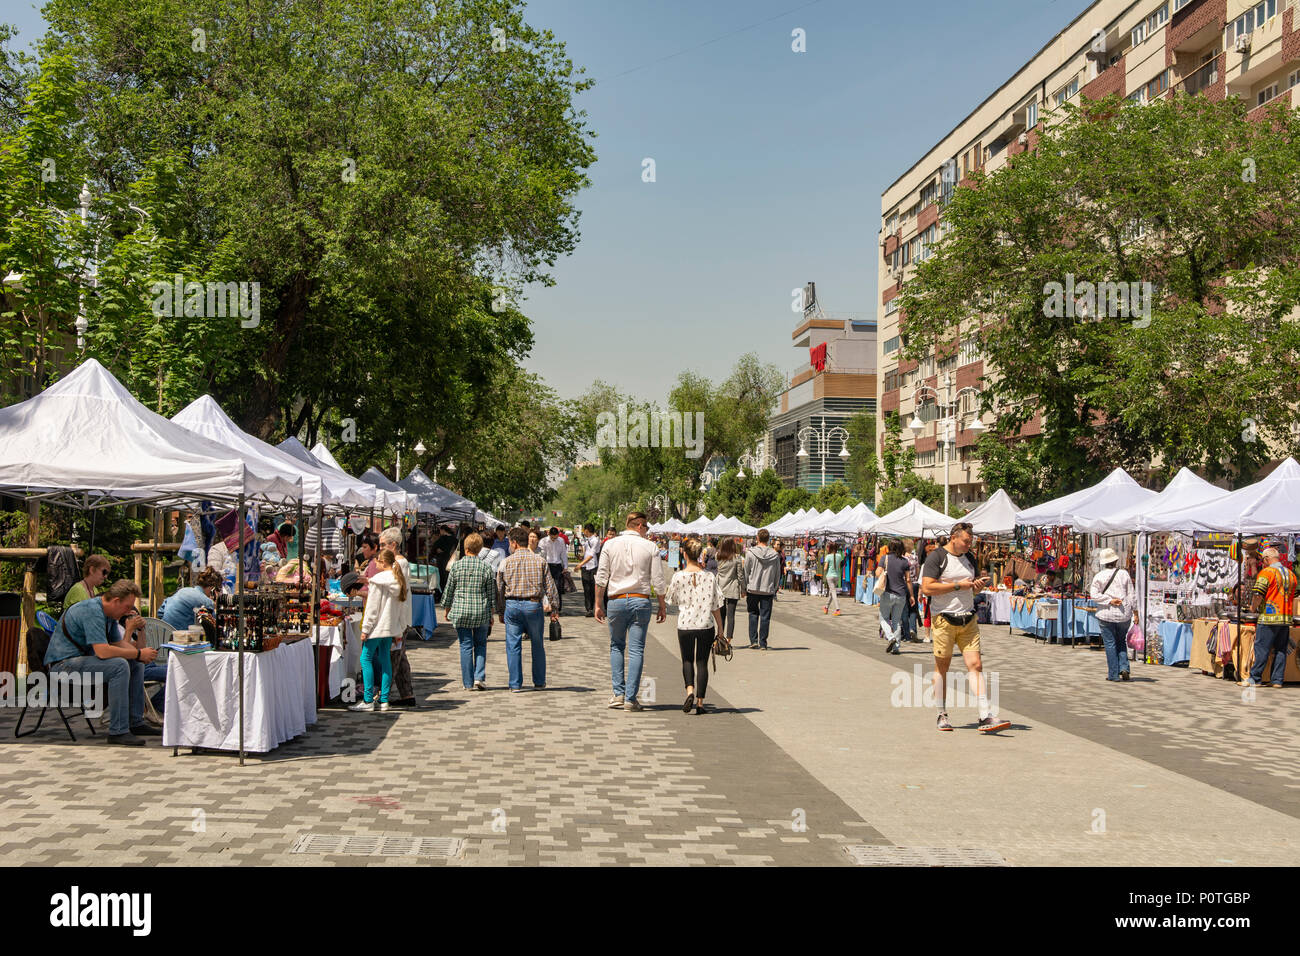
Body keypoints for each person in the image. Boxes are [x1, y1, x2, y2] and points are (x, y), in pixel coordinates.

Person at [45, 579, 159, 746]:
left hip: (79, 662)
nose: (129, 612)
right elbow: (102, 651)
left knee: (135, 663)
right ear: (116, 601)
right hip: (62, 666)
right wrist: (138, 653)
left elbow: (118, 644)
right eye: (127, 607)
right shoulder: (92, 611)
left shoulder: (108, 615)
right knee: (119, 666)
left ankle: (135, 722)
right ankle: (118, 731)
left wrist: (140, 651)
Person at [921, 521, 1008, 733]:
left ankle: (985, 714)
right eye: (966, 541)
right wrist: (958, 585)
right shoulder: (937, 557)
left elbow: (972, 589)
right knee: (942, 668)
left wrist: (976, 586)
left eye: (971, 542)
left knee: (976, 665)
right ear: (954, 538)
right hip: (944, 619)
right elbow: (927, 588)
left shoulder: (969, 558)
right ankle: (941, 713)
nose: (969, 545)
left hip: (968, 618)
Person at [594, 512, 667, 711]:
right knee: (636, 650)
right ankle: (630, 698)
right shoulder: (650, 547)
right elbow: (658, 579)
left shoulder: (610, 544)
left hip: (616, 600)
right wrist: (662, 604)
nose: (647, 531)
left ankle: (618, 693)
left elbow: (602, 577)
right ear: (640, 526)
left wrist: (598, 603)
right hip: (640, 600)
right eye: (646, 527)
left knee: (616, 646)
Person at [496, 526, 560, 692]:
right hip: (533, 605)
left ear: (514, 543)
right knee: (537, 644)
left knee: (513, 645)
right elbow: (550, 587)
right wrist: (554, 608)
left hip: (512, 605)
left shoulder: (505, 562)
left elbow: (499, 588)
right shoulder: (540, 561)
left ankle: (515, 684)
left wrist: (500, 610)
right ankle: (539, 682)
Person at [665, 536, 724, 715]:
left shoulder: (678, 576)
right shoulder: (710, 577)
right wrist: (721, 629)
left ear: (684, 553)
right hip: (706, 624)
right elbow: (716, 605)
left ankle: (689, 691)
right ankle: (700, 703)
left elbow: (671, 600)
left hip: (685, 624)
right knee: (702, 662)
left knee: (687, 660)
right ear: (699, 554)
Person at [350, 549, 411, 712]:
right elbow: (402, 609)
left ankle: (368, 699)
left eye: (376, 561)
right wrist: (399, 630)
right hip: (390, 627)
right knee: (385, 661)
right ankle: (384, 700)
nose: (375, 564)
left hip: (377, 628)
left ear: (382, 562)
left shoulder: (378, 581)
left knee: (365, 659)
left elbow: (372, 608)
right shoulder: (398, 580)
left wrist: (366, 629)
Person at [442, 532, 497, 691]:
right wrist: (491, 612)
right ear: (480, 549)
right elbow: (491, 593)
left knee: (465, 645)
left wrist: (447, 609)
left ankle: (467, 682)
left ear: (466, 548)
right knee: (481, 644)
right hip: (481, 610)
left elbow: (449, 590)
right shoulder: (486, 567)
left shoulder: (456, 566)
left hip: (461, 610)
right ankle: (479, 677)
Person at [1242, 547, 1297, 689]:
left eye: (1262, 560)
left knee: (1262, 648)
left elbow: (1258, 594)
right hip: (1285, 617)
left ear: (1266, 559)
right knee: (1280, 650)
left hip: (1268, 617)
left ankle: (1255, 679)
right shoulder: (1291, 574)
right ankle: (1277, 680)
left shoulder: (1266, 573)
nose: (1262, 563)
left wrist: (1252, 608)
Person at [379, 526, 417, 708]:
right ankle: (406, 694)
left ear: (393, 545)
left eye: (383, 545)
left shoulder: (398, 564)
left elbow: (395, 591)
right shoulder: (399, 563)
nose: (380, 549)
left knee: (393, 657)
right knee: (400, 657)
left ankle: (382, 694)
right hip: (401, 617)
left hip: (398, 618)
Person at [1090, 547, 1135, 682]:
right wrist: (1135, 611)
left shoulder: (1099, 576)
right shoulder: (1124, 574)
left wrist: (1109, 600)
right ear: (1115, 561)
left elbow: (1094, 595)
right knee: (1121, 641)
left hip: (1106, 614)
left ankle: (1113, 674)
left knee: (1110, 644)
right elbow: (1131, 594)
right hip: (1123, 614)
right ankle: (1124, 667)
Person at [741, 529, 781, 650]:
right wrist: (775, 588)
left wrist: (744, 587)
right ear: (768, 539)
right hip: (767, 589)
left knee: (753, 614)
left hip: (753, 588)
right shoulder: (775, 555)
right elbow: (777, 573)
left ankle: (753, 640)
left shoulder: (750, 553)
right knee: (765, 616)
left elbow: (746, 571)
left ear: (757, 538)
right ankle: (763, 642)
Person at [877, 539, 913, 654]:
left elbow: (878, 573)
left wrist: (884, 570)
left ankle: (890, 636)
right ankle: (896, 647)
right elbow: (908, 579)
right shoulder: (905, 561)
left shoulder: (885, 558)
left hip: (888, 593)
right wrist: (911, 595)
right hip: (901, 594)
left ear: (889, 547)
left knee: (883, 618)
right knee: (897, 621)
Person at [159, 567, 221, 631]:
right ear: (212, 588)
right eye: (218, 590)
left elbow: (160, 612)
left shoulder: (182, 590)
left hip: (162, 633)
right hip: (181, 635)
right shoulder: (207, 602)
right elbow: (214, 626)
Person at [715, 536, 744, 646]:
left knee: (721, 615)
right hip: (732, 588)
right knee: (731, 615)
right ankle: (728, 640)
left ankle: (720, 637)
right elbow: (740, 575)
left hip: (720, 588)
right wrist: (743, 589)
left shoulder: (718, 556)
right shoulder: (737, 558)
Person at [576, 523, 602, 617]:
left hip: (593, 567)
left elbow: (591, 555)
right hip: (585, 567)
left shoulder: (595, 540)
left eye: (584, 530)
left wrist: (580, 564)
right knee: (586, 588)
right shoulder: (587, 540)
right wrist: (581, 558)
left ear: (587, 530)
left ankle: (594, 607)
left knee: (593, 588)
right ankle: (589, 609)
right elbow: (586, 553)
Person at [541, 526, 569, 612]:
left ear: (558, 535)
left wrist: (565, 566)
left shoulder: (561, 541)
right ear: (549, 534)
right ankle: (548, 607)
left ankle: (557, 607)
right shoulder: (543, 541)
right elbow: (542, 555)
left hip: (558, 566)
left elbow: (563, 554)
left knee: (558, 587)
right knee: (547, 587)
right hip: (547, 565)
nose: (553, 539)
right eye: (552, 538)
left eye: (555, 537)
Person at [823, 541, 844, 616]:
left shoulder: (828, 556)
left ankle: (837, 609)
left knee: (833, 592)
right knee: (832, 593)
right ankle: (826, 607)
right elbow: (839, 566)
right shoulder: (839, 556)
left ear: (830, 548)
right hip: (837, 576)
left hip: (830, 576)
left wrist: (825, 567)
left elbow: (825, 568)